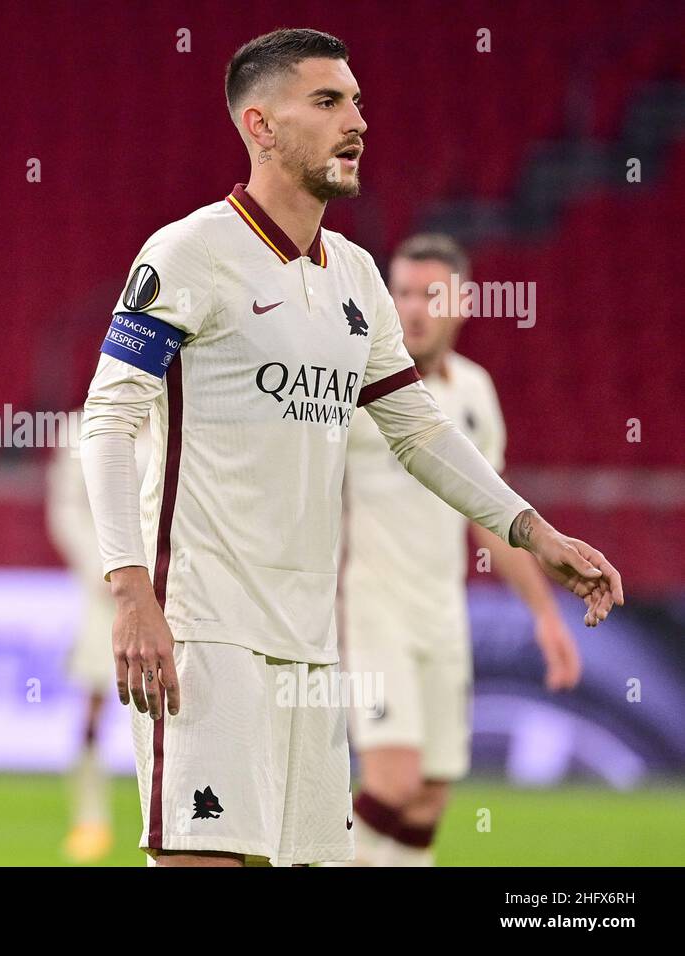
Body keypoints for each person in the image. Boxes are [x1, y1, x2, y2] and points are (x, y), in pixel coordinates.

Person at [78, 28, 623, 867]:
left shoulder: (359, 278)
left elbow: (419, 429)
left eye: (358, 102)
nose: (356, 120)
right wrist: (128, 591)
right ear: (260, 126)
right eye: (328, 102)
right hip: (204, 628)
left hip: (309, 644)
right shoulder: (188, 253)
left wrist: (532, 530)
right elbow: (107, 421)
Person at [339, 233, 580, 866]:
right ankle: (306, 852)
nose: (413, 308)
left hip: (442, 618)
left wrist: (546, 615)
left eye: (430, 294)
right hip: (371, 612)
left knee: (428, 798)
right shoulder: (355, 386)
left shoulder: (475, 392)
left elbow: (490, 519)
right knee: (392, 782)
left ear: (463, 302)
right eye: (402, 292)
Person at [45, 414, 149, 862]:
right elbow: (67, 508)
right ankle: (90, 819)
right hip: (104, 593)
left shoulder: (185, 417)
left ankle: (172, 816)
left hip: (171, 592)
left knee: (173, 704)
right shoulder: (82, 429)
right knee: (92, 707)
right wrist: (102, 569)